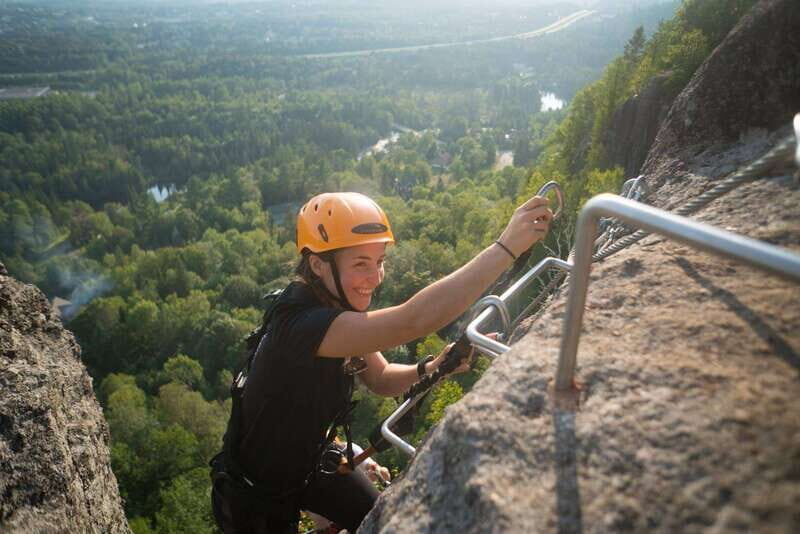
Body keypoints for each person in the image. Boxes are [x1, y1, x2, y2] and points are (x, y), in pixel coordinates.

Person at [211, 191, 552, 533]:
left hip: (310, 462)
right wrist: (506, 248)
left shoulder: (334, 308)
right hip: (255, 495)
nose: (375, 278)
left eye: (379, 261)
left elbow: (382, 377)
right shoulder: (301, 326)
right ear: (317, 264)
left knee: (385, 522)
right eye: (361, 264)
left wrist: (433, 367)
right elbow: (411, 321)